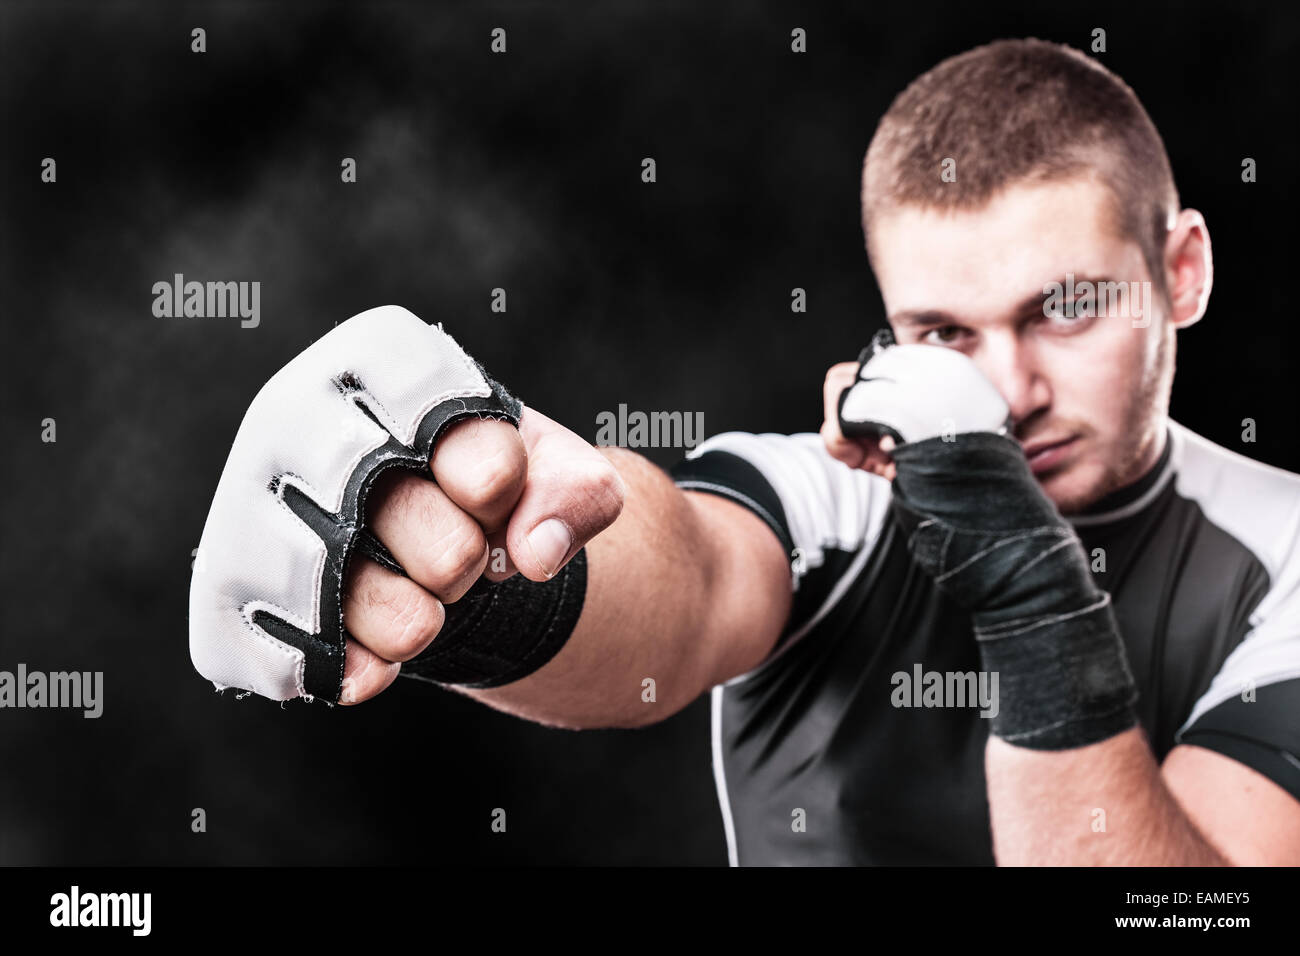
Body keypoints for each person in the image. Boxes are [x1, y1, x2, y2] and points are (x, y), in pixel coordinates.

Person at [205, 38, 1300, 865]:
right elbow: (677, 577)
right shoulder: (831, 497)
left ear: (1183, 270)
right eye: (941, 335)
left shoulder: (1287, 553)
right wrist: (486, 562)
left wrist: (1026, 586)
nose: (1007, 391)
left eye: (1063, 310)